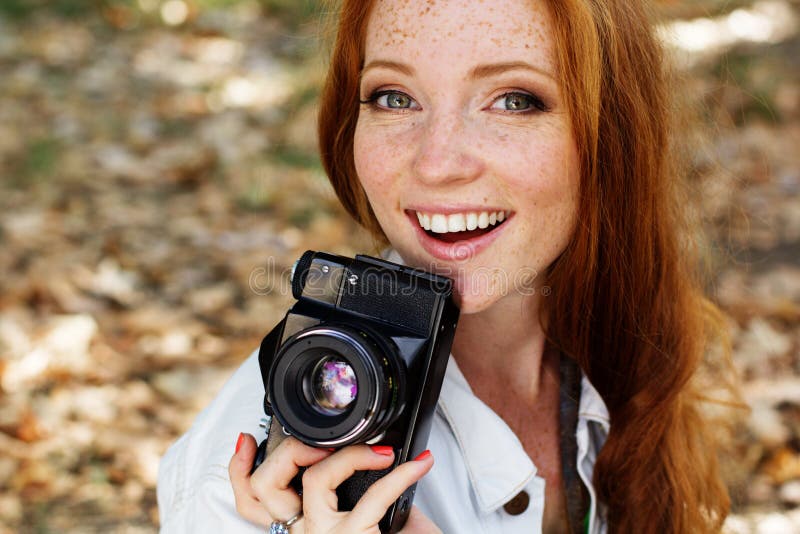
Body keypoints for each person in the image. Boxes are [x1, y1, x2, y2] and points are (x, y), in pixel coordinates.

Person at [157, 0, 736, 532]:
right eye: (394, 97)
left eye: (513, 99)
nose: (436, 164)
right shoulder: (243, 492)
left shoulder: (625, 348)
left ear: (612, 136)